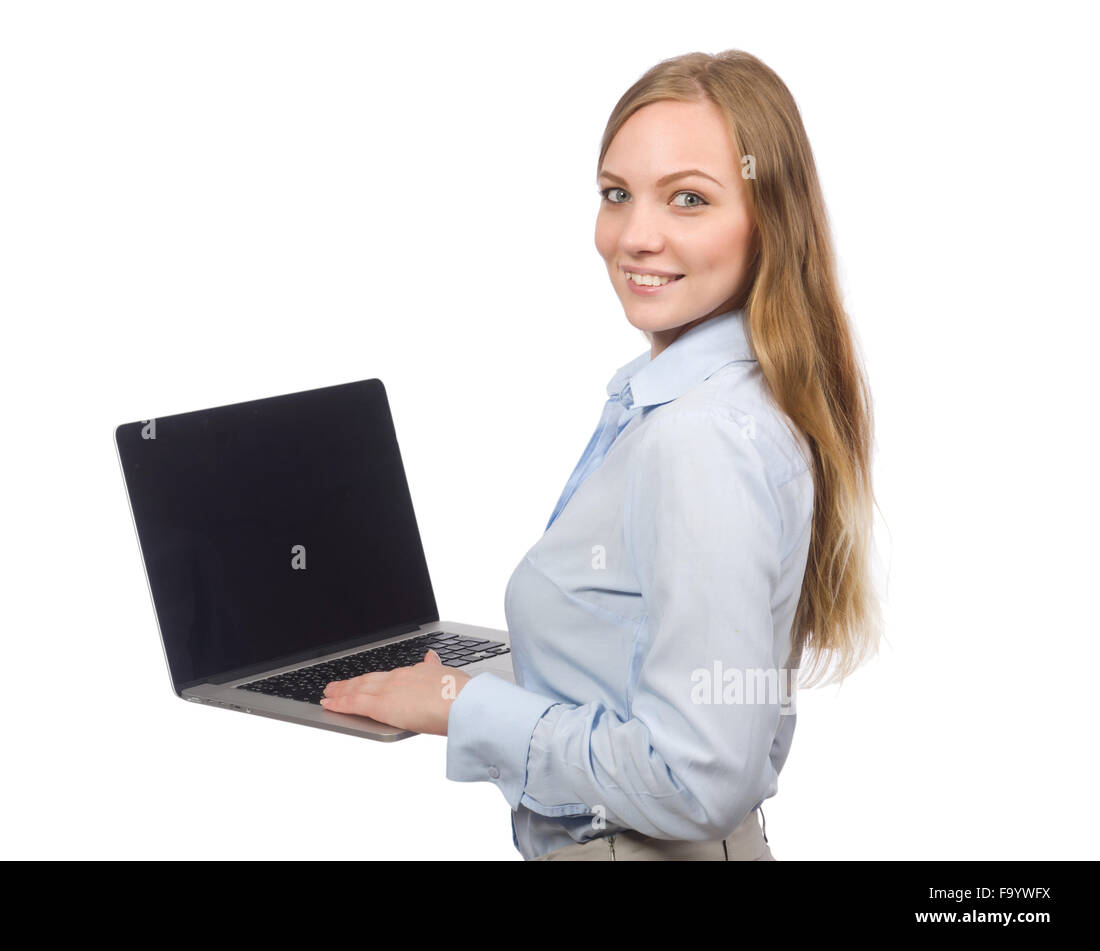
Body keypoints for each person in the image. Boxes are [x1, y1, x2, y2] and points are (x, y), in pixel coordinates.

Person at [319, 49, 883, 861]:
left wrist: (462, 706)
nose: (635, 236)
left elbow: (697, 778)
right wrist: (473, 686)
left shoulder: (700, 435)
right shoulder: (696, 402)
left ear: (771, 219)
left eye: (689, 199)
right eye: (617, 194)